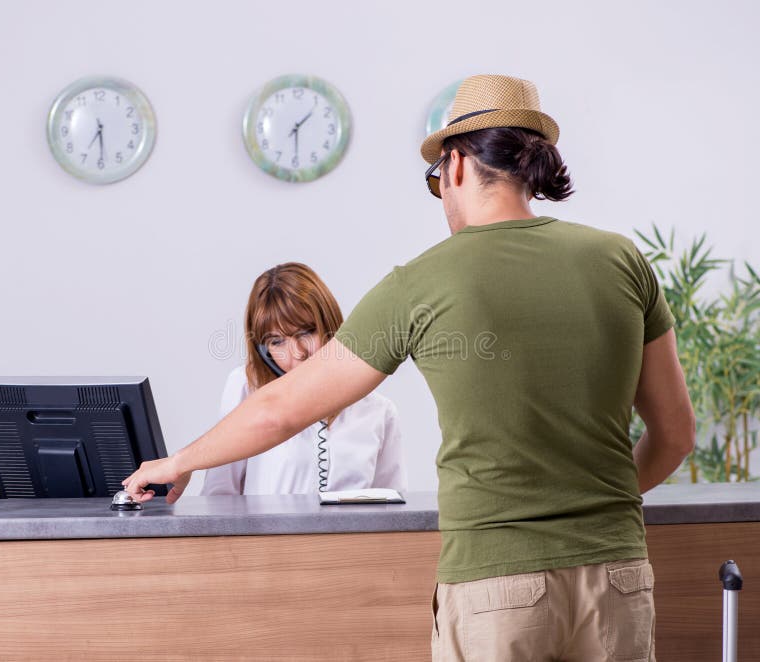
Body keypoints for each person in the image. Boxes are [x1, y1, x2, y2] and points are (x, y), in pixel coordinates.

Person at [123, 75, 696, 661]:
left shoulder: (424, 281)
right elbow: (676, 435)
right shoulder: (622, 259)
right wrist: (593, 505)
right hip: (620, 578)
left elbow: (282, 406)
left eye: (435, 181)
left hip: (496, 589)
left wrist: (177, 462)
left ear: (454, 166)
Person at [201, 262, 405, 495]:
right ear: (263, 350)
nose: (297, 352)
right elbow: (217, 497)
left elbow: (393, 509)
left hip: (351, 532)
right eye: (277, 341)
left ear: (330, 325)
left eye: (307, 332)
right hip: (268, 532)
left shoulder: (379, 412)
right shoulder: (246, 388)